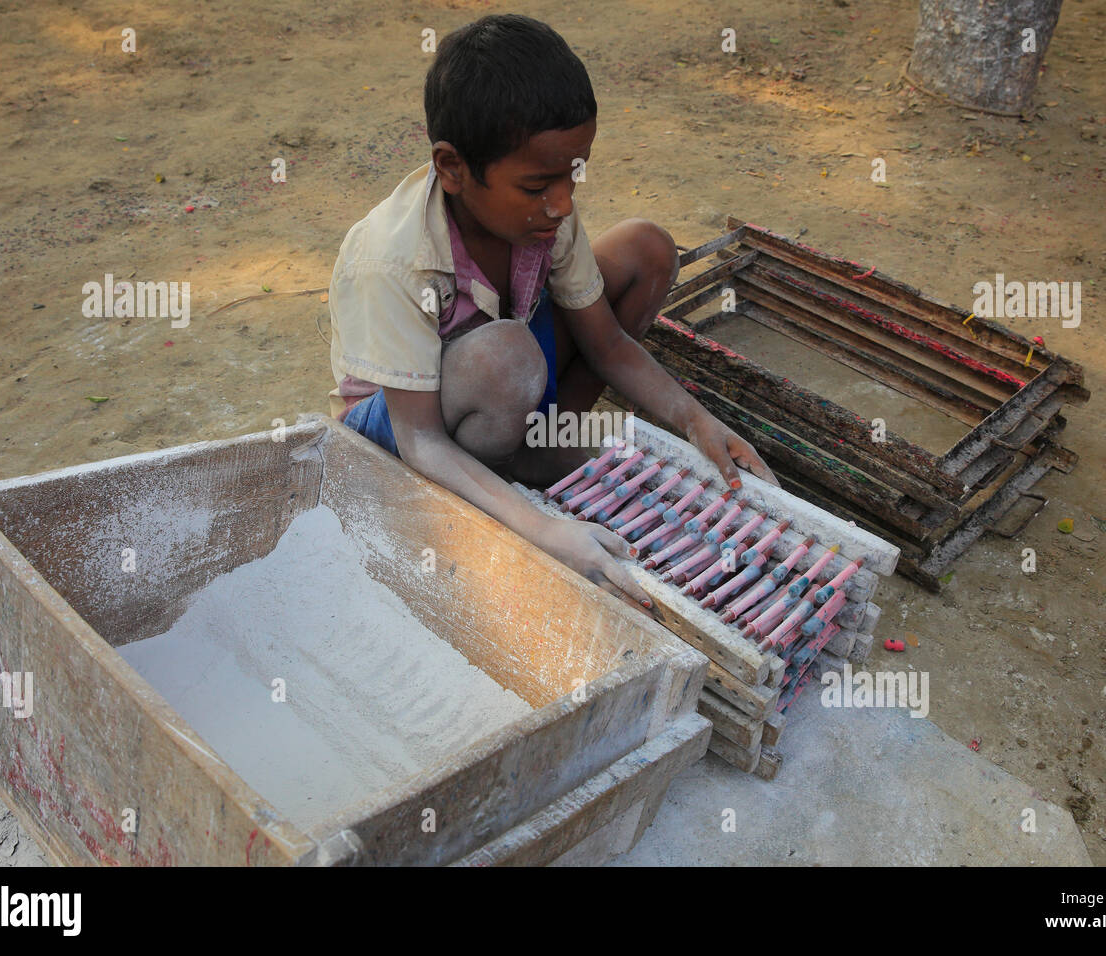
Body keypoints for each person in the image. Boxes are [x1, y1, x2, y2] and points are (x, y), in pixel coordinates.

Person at [327, 14, 776, 607]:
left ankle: (540, 444)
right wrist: (545, 532)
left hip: (500, 374)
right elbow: (422, 441)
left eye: (572, 175)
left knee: (646, 248)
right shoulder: (392, 258)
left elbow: (608, 343)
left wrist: (696, 422)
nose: (563, 202)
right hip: (397, 427)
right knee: (507, 356)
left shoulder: (544, 216)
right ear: (452, 168)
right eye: (539, 185)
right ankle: (509, 485)